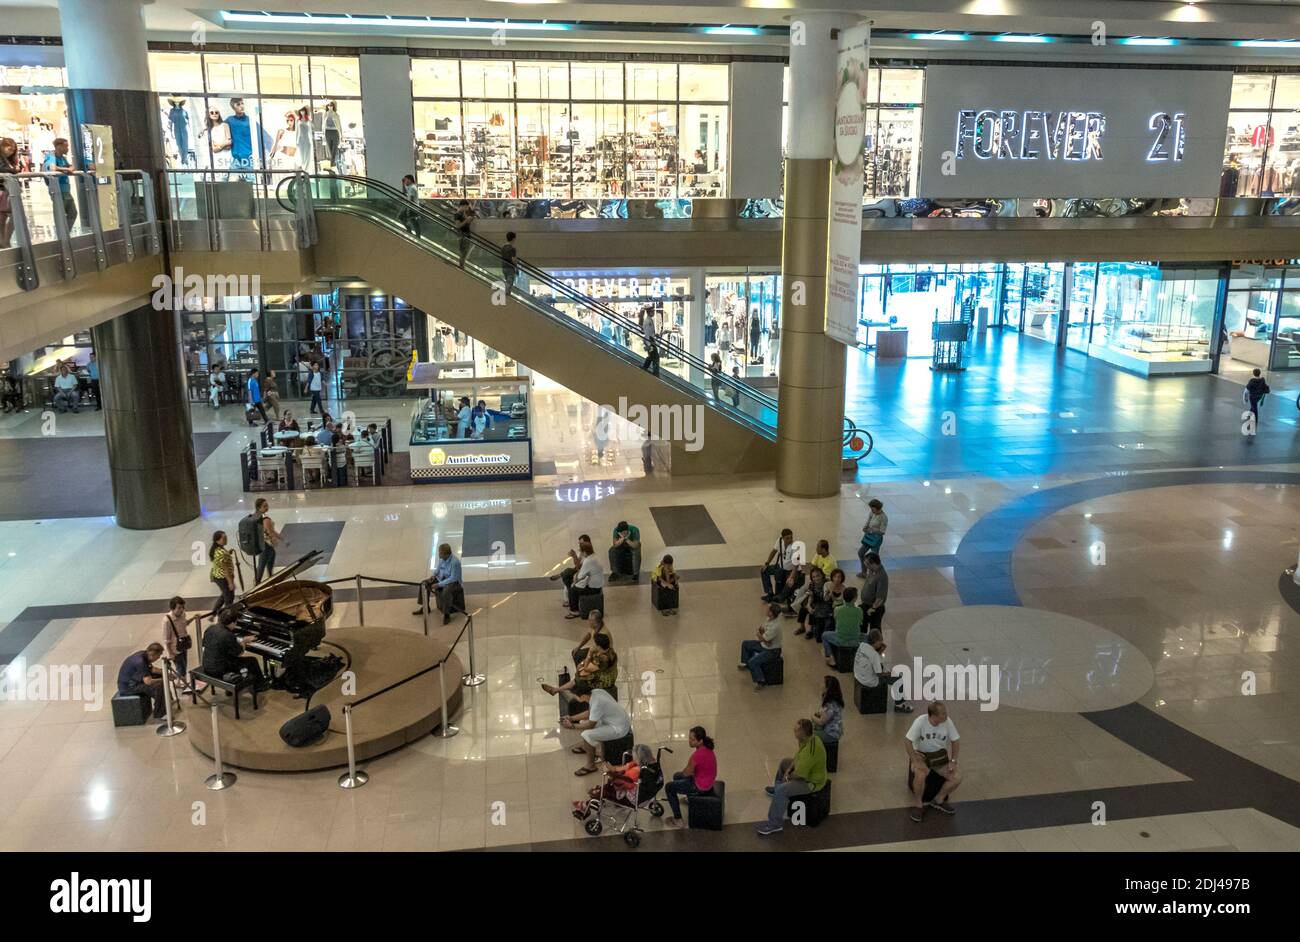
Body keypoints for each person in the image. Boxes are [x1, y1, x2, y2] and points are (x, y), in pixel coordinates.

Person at [756, 718, 828, 836]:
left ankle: (775, 824)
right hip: (804, 771)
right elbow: (797, 756)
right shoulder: (808, 739)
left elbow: (800, 776)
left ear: (802, 733)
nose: (793, 730)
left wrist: (788, 777)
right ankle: (777, 789)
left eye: (796, 730)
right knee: (785, 762)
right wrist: (788, 769)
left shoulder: (810, 752)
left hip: (810, 782)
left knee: (783, 790)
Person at [905, 701, 962, 821]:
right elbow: (907, 741)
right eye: (943, 713)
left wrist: (953, 761)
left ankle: (939, 799)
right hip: (921, 755)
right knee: (920, 776)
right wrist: (915, 760)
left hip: (938, 756)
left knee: (957, 777)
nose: (946, 715)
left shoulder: (947, 722)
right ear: (934, 716)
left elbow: (955, 741)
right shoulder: (920, 721)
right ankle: (919, 805)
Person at [561, 687, 631, 776]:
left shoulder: (597, 702)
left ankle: (591, 766)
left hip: (618, 728)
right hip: (615, 720)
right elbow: (590, 713)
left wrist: (572, 726)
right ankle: (588, 748)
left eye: (575, 696)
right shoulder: (596, 692)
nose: (574, 698)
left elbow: (591, 725)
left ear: (582, 696)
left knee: (586, 734)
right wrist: (571, 718)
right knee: (583, 723)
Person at [543, 631, 618, 714]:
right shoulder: (610, 650)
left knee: (580, 677)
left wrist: (588, 656)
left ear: (599, 646)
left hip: (604, 680)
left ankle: (557, 690)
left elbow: (586, 668)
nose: (594, 645)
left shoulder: (603, 659)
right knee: (579, 662)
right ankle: (557, 690)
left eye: (595, 644)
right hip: (607, 672)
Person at [201, 607, 268, 690]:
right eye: (236, 622)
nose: (236, 624)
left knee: (232, 658)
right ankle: (260, 685)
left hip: (206, 664)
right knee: (252, 661)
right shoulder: (228, 635)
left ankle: (239, 684)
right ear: (232, 622)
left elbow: (206, 644)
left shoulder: (210, 628)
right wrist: (244, 641)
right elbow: (239, 653)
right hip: (220, 669)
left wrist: (234, 643)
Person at [663, 725, 718, 827]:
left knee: (669, 787)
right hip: (707, 780)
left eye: (692, 739)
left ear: (700, 741)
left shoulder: (697, 755)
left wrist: (689, 771)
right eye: (689, 738)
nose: (689, 741)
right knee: (676, 776)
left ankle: (678, 819)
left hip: (701, 787)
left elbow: (686, 773)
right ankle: (690, 798)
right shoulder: (707, 748)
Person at [855, 629, 912, 713]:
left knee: (886, 670)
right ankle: (899, 705)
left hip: (858, 675)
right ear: (877, 642)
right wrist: (889, 674)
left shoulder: (862, 646)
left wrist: (881, 650)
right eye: (881, 641)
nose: (882, 643)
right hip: (870, 681)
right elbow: (879, 674)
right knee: (899, 679)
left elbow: (871, 660)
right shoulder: (874, 655)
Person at [413, 542, 464, 625]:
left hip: (453, 583)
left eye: (440, 553)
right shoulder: (442, 560)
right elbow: (438, 570)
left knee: (446, 592)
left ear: (446, 554)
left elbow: (453, 578)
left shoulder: (455, 563)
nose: (438, 554)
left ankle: (446, 614)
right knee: (424, 584)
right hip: (441, 579)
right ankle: (425, 607)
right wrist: (433, 576)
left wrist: (439, 584)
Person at [738, 601, 782, 690]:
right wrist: (762, 637)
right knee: (746, 644)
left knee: (753, 662)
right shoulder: (768, 619)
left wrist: (761, 636)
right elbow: (762, 631)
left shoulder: (775, 626)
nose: (766, 610)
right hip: (765, 645)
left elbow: (762, 637)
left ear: (771, 613)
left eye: (768, 609)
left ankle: (760, 680)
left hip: (772, 650)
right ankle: (746, 663)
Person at [116, 643, 167, 719]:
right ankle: (160, 713)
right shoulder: (140, 662)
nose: (159, 658)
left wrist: (165, 673)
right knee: (159, 685)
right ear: (153, 655)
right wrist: (165, 679)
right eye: (158, 656)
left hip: (134, 679)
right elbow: (148, 681)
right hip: (128, 687)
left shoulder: (144, 654)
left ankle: (166, 700)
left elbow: (151, 669)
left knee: (161, 677)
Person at [760, 528, 803, 610]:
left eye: (791, 537)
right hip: (780, 568)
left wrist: (791, 577)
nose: (790, 540)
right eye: (787, 538)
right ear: (782, 538)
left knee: (790, 583)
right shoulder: (779, 541)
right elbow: (773, 552)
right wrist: (767, 563)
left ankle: (781, 597)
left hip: (791, 570)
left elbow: (796, 564)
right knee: (764, 570)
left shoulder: (795, 547)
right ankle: (769, 592)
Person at [42, 137, 77, 229]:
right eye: (66, 146)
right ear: (59, 146)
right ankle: (62, 235)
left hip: (65, 190)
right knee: (61, 214)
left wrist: (69, 168)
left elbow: (71, 166)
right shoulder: (51, 156)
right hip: (57, 190)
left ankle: (65, 233)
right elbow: (53, 168)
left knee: (72, 212)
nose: (67, 149)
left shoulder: (62, 158)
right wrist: (67, 169)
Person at [566, 537, 605, 619]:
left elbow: (580, 576)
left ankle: (574, 611)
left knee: (573, 591)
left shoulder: (588, 561)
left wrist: (575, 579)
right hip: (598, 584)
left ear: (584, 552)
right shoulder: (594, 556)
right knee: (576, 586)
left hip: (593, 588)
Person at [824, 586, 864, 664]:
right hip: (855, 640)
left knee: (824, 635)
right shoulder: (859, 610)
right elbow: (860, 623)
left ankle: (831, 657)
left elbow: (837, 620)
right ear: (855, 598)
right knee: (867, 637)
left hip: (840, 640)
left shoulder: (837, 609)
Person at [162, 595, 193, 685]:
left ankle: (181, 681)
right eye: (179, 608)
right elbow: (166, 639)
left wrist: (193, 619)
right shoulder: (167, 620)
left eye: (183, 607)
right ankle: (183, 683)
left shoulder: (182, 615)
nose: (182, 610)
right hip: (174, 647)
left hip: (183, 644)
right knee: (180, 666)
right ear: (172, 608)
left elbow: (184, 623)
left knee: (184, 663)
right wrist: (170, 653)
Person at [794, 567, 829, 637]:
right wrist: (808, 605)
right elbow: (811, 596)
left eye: (818, 576)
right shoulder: (812, 584)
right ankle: (802, 627)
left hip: (824, 603)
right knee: (803, 609)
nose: (816, 578)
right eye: (814, 577)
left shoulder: (827, 583)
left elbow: (827, 598)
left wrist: (811, 606)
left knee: (813, 610)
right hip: (815, 601)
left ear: (822, 575)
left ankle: (811, 629)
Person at [251, 498, 280, 583]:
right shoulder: (264, 518)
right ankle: (257, 584)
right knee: (262, 566)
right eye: (264, 506)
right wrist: (276, 540)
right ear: (259, 508)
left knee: (265, 565)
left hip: (263, 544)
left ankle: (269, 581)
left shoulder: (256, 516)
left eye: (267, 505)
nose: (267, 507)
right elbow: (270, 532)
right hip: (266, 545)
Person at [812, 675, 845, 747]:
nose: (821, 685)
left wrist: (812, 717)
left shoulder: (830, 704)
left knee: (808, 734)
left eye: (823, 683)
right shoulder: (833, 698)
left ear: (827, 688)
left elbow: (821, 722)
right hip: (831, 729)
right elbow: (825, 714)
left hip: (831, 734)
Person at [860, 552, 889, 633]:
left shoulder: (882, 576)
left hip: (875, 608)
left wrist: (873, 608)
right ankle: (864, 644)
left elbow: (880, 597)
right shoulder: (872, 571)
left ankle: (878, 645)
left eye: (867, 564)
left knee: (875, 630)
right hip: (866, 605)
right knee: (862, 626)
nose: (866, 567)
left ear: (873, 564)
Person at [209, 530, 236, 611]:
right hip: (222, 578)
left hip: (217, 575)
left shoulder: (216, 549)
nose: (226, 540)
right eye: (224, 538)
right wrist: (230, 583)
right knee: (229, 597)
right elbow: (225, 569)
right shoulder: (221, 553)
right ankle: (226, 616)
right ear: (217, 540)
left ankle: (213, 613)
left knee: (225, 595)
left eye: (226, 537)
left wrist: (228, 553)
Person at [859, 499, 888, 571]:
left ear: (877, 507)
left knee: (875, 558)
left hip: (876, 540)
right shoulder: (872, 513)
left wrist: (872, 531)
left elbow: (882, 532)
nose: (871, 509)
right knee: (861, 553)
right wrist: (865, 527)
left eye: (872, 508)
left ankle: (877, 571)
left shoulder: (883, 518)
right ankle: (864, 571)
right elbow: (868, 521)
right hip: (868, 537)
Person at [0, 137, 18, 248]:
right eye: (9, 149)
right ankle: (3, 242)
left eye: (13, 150)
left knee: (12, 215)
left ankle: (4, 241)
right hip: (2, 190)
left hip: (7, 190)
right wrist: (13, 170)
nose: (11, 152)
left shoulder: (7, 159)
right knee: (4, 216)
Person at [454, 199, 475, 268]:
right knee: (463, 252)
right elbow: (458, 225)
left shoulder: (463, 213)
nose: (467, 208)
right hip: (462, 235)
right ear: (462, 206)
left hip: (466, 234)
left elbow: (467, 223)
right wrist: (466, 220)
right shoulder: (458, 214)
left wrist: (469, 219)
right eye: (466, 207)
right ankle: (461, 266)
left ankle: (462, 265)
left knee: (465, 252)